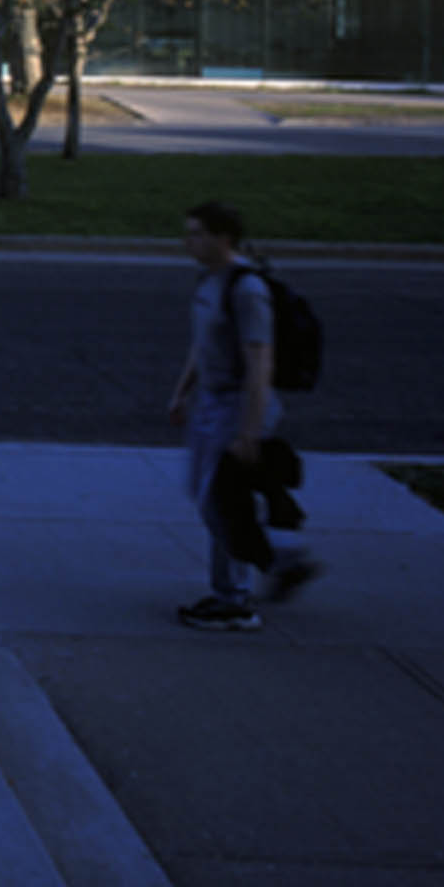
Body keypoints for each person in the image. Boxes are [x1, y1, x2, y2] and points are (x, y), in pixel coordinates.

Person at [167, 199, 321, 629]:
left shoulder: (247, 290)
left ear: (223, 238)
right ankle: (281, 560)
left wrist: (249, 430)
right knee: (209, 497)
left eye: (197, 233)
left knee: (221, 503)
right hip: (210, 402)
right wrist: (182, 392)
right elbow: (204, 344)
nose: (188, 241)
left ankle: (234, 599)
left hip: (237, 405)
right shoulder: (210, 282)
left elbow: (259, 363)